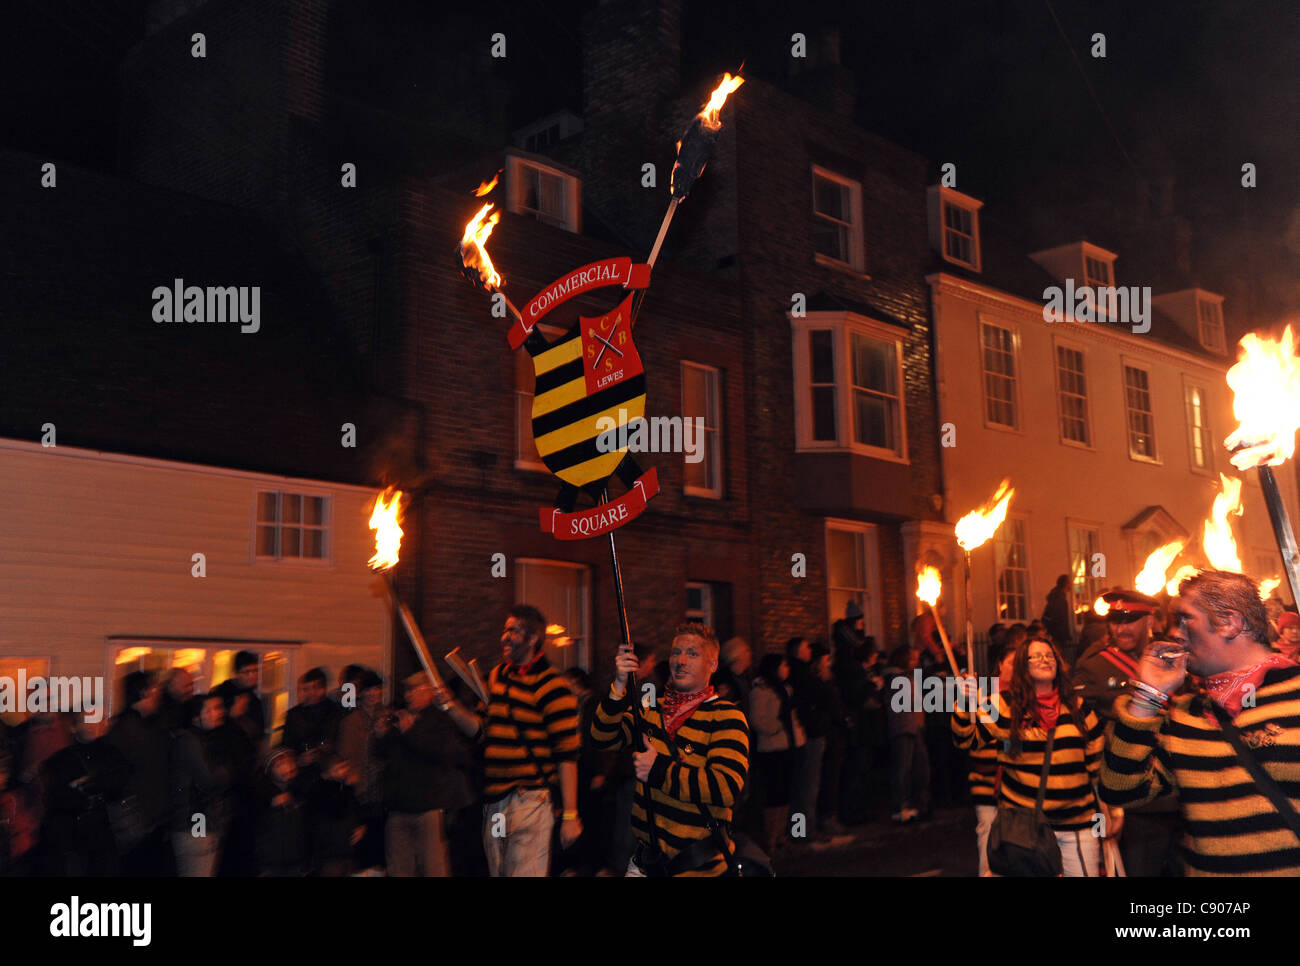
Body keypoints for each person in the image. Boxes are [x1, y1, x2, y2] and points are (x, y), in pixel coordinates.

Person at [1102, 569, 1300, 875]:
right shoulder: (1185, 714)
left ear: (1230, 623)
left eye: (1184, 619)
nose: (1174, 633)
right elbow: (1121, 790)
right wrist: (1148, 696)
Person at [591, 622, 749, 876]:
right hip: (644, 863)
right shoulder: (652, 707)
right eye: (676, 652)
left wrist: (659, 770)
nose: (681, 660)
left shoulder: (727, 716)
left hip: (696, 866)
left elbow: (726, 787)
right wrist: (619, 685)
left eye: (693, 653)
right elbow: (603, 737)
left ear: (713, 665)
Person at [435, 604, 581, 876]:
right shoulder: (497, 676)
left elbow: (567, 756)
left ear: (532, 637)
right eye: (505, 630)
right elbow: (481, 731)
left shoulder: (554, 686)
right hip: (495, 802)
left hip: (531, 800)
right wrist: (451, 707)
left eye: (512, 631)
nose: (504, 637)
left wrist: (571, 815)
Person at [959, 636, 1108, 876]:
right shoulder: (1003, 705)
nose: (1044, 659)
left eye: (1049, 655)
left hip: (1077, 826)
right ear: (1023, 665)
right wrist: (965, 704)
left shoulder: (1080, 708)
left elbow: (1096, 769)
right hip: (1025, 828)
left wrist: (1108, 814)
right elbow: (965, 739)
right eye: (1036, 655)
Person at [1070, 587, 1181, 876]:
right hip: (1134, 795)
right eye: (1116, 620)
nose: (1120, 627)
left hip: (1183, 789)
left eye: (1129, 620)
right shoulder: (1094, 665)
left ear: (1149, 621)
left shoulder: (1174, 656)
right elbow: (1084, 735)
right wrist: (1104, 802)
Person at [375, 673, 475, 877]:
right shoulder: (400, 717)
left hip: (428, 808)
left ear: (429, 691)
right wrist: (380, 736)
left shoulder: (440, 720)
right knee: (399, 868)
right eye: (407, 690)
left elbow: (444, 753)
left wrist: (410, 732)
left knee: (433, 866)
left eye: (415, 689)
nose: (409, 695)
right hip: (398, 808)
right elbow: (383, 756)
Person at [952, 640, 1015, 875]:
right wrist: (970, 701)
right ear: (1000, 664)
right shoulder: (986, 693)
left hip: (1017, 786)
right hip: (986, 780)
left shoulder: (1025, 697)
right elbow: (967, 736)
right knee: (988, 836)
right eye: (1011, 662)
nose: (1016, 668)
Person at [40, 713, 128, 876]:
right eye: (87, 720)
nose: (93, 725)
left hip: (104, 833)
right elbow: (57, 800)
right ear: (73, 727)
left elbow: (120, 784)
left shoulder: (112, 753)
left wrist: (87, 785)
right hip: (75, 838)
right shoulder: (59, 761)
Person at [105, 671, 173, 875]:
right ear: (142, 692)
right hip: (143, 819)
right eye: (154, 689)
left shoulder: (130, 728)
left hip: (143, 818)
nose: (158, 694)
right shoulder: (135, 732)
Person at [170, 693, 233, 877]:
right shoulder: (189, 741)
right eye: (212, 709)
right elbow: (210, 779)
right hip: (195, 822)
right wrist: (228, 771)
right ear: (197, 716)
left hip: (202, 820)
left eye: (219, 708)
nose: (219, 713)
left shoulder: (204, 740)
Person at [748, 652, 804, 855]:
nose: (786, 669)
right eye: (783, 666)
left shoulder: (785, 689)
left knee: (786, 792)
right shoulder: (761, 690)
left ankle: (782, 835)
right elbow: (757, 719)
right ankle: (770, 838)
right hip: (772, 747)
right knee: (774, 793)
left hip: (788, 744)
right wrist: (777, 726)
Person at [885, 646, 929, 823]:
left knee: (914, 767)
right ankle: (900, 806)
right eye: (912, 659)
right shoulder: (896, 678)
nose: (915, 662)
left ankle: (912, 804)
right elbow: (908, 701)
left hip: (912, 725)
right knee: (902, 768)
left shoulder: (907, 677)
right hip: (902, 726)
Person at [214, 651, 266, 746]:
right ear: (236, 673)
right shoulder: (222, 693)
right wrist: (233, 715)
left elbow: (259, 732)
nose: (252, 676)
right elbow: (213, 729)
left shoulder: (253, 698)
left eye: (255, 671)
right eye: (246, 672)